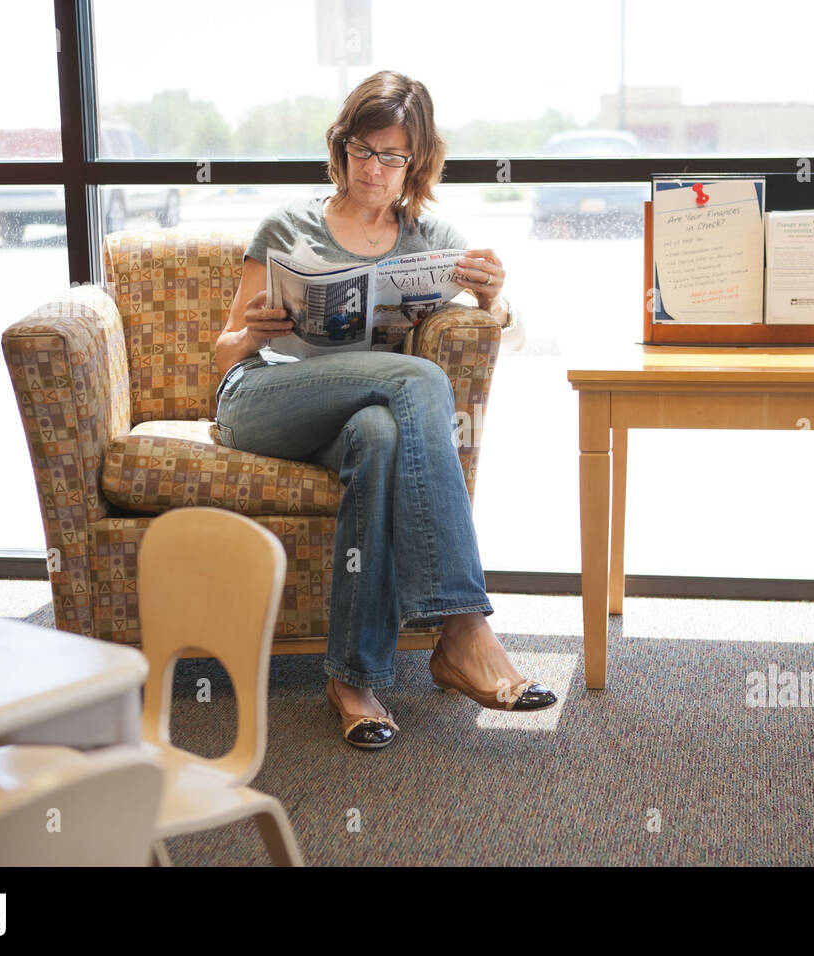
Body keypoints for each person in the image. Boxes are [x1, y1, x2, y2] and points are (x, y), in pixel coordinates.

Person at [214, 71, 557, 750]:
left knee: (378, 434)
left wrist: (494, 302)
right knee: (419, 380)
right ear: (341, 149)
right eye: (364, 151)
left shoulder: (429, 237)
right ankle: (462, 631)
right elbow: (225, 355)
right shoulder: (288, 225)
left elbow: (508, 329)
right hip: (264, 400)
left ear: (416, 163)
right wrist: (254, 329)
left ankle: (354, 680)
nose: (375, 170)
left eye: (393, 156)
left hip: (349, 422)